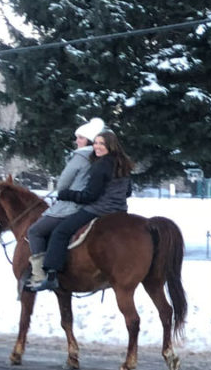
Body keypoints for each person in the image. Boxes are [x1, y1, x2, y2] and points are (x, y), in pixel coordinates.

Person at [27, 128, 134, 292]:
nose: (97, 147)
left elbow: (89, 196)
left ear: (111, 146)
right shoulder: (124, 163)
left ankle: (51, 275)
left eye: (101, 144)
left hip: (99, 210)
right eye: (96, 143)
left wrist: (65, 194)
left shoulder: (101, 165)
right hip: (120, 211)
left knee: (60, 232)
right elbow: (128, 192)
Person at [24, 117, 105, 291]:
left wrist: (63, 192)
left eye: (80, 137)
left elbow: (63, 183)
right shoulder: (101, 157)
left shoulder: (81, 155)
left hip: (71, 205)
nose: (76, 141)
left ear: (89, 140)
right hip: (93, 205)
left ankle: (39, 275)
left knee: (35, 231)